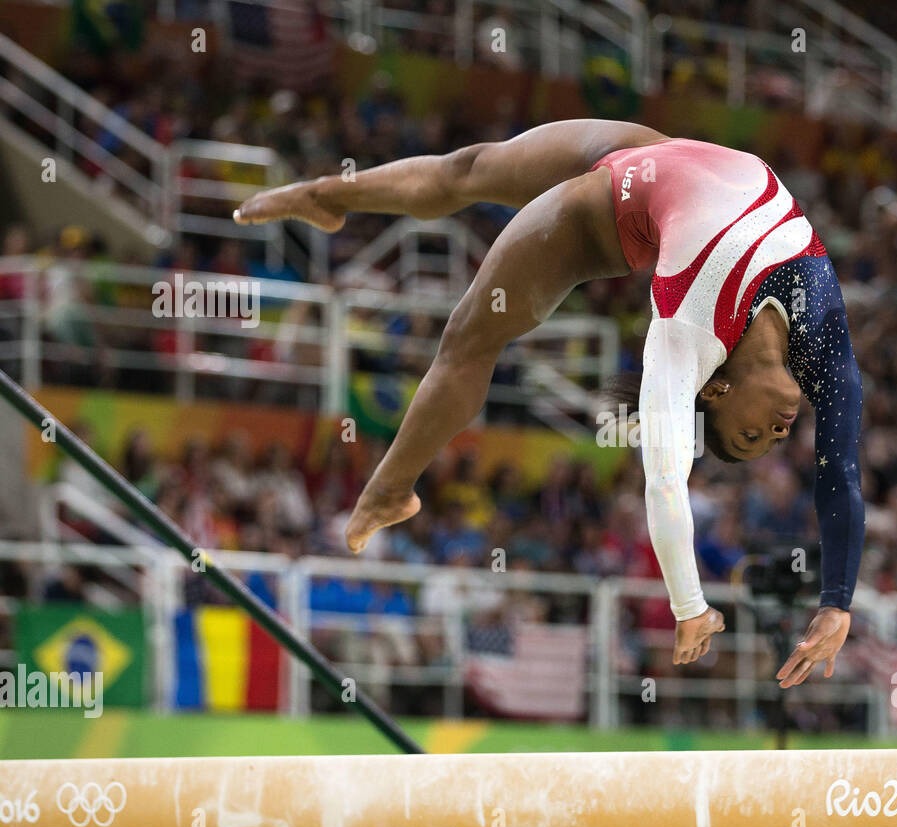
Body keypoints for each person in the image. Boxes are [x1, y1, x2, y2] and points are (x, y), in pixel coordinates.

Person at [234, 119, 864, 688]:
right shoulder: (821, 340)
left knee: (471, 335)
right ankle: (329, 194)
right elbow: (839, 471)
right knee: (468, 166)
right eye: (762, 441)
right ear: (717, 388)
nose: (780, 435)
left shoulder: (685, 340)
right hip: (652, 156)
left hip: (610, 212)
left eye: (753, 438)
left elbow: (665, 480)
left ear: (718, 389)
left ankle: (389, 488)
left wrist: (696, 606)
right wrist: (826, 601)